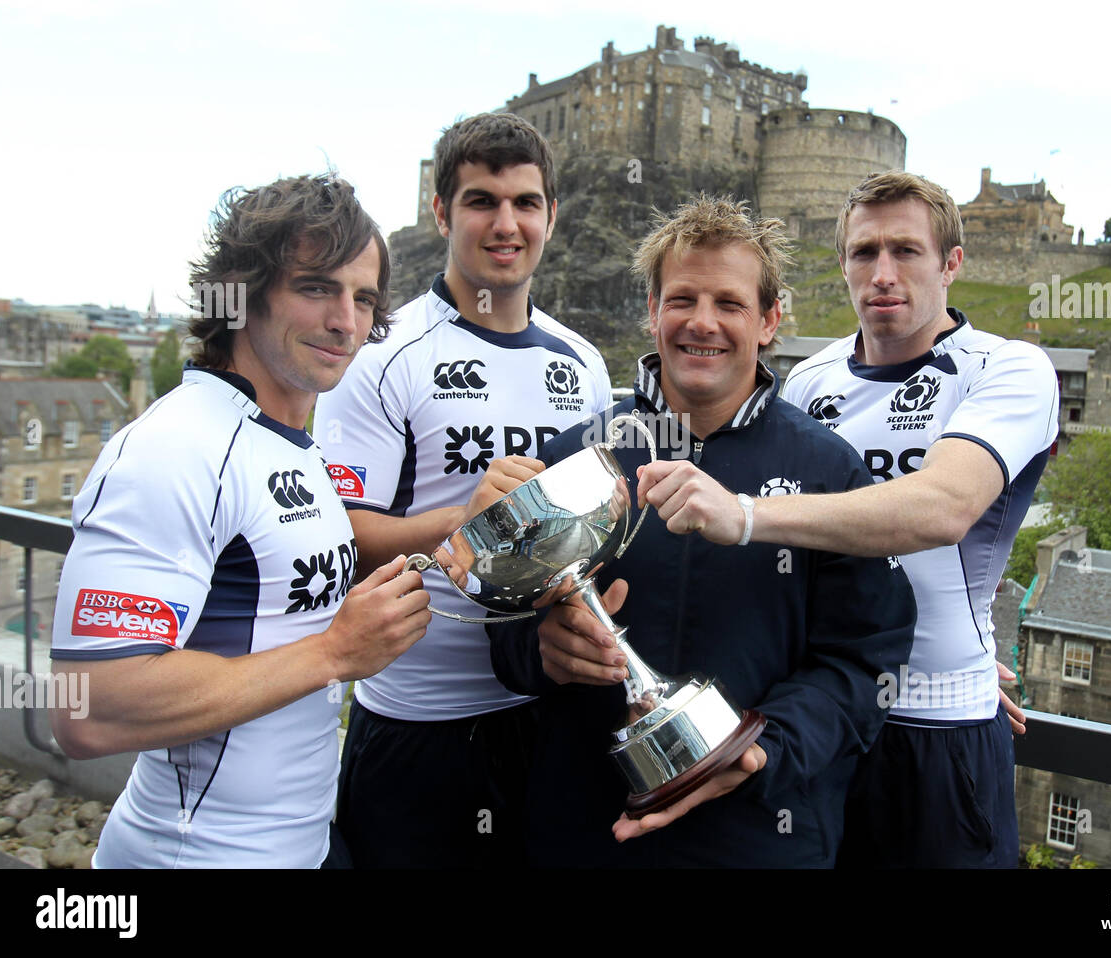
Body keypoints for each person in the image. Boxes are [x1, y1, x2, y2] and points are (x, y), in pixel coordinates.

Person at [635, 172, 1060, 867]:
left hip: (938, 722)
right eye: (864, 253)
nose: (883, 274)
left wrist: (741, 513)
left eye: (906, 251)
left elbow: (942, 508)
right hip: (819, 720)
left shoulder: (1009, 369)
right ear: (842, 266)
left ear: (951, 263)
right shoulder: (810, 380)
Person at [487, 195, 916, 867]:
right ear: (653, 313)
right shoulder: (577, 456)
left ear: (770, 320)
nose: (702, 323)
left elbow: (866, 657)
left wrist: (762, 750)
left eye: (731, 303)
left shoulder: (827, 469)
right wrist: (537, 650)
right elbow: (505, 628)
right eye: (682, 299)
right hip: (584, 832)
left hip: (762, 835)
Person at [48, 173, 434, 868]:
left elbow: (267, 613)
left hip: (304, 844)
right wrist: (336, 653)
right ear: (244, 290)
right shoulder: (176, 447)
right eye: (317, 287)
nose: (347, 321)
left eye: (364, 297)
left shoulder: (293, 444)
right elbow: (88, 708)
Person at [313, 113, 611, 867]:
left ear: (550, 215)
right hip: (421, 723)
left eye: (525, 203)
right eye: (481, 201)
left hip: (550, 707)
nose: (505, 224)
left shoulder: (583, 363)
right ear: (441, 212)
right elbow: (339, 533)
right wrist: (467, 521)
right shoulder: (383, 356)